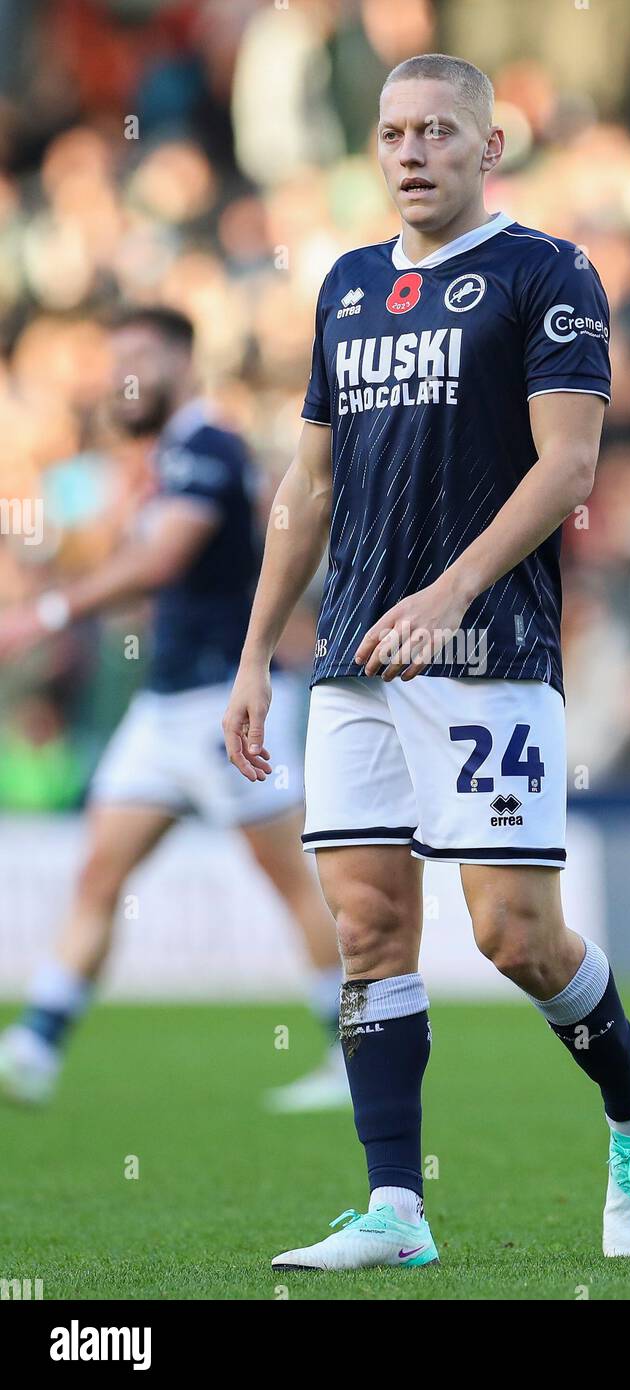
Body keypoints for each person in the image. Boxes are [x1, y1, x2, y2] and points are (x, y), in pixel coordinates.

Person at [223, 53, 630, 1270]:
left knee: (514, 935)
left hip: (487, 649)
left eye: (437, 130)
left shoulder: (547, 272)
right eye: (391, 133)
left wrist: (452, 587)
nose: (411, 152)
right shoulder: (349, 285)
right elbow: (308, 482)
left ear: (489, 147)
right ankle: (395, 1211)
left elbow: (568, 466)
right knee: (367, 925)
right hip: (355, 656)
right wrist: (257, 647)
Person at [0, 307, 348, 1114]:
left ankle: (351, 1051)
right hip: (164, 703)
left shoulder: (207, 445)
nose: (123, 378)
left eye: (140, 358)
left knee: (287, 878)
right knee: (100, 870)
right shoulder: (165, 457)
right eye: (114, 360)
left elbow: (163, 560)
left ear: (182, 362)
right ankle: (39, 1043)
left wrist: (47, 613)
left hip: (226, 700)